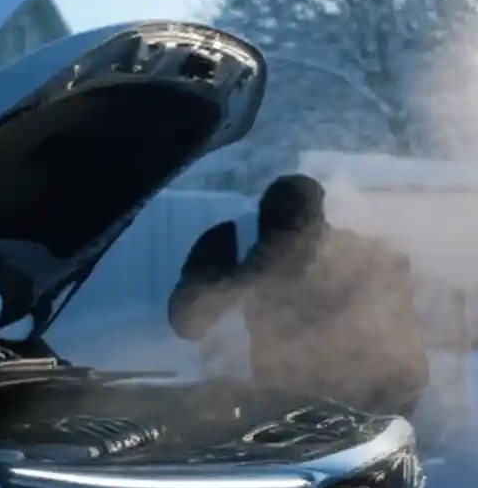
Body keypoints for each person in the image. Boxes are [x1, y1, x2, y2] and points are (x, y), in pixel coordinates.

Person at [168, 174, 429, 416]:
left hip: (348, 405)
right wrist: (241, 279)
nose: (293, 258)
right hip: (249, 406)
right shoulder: (228, 246)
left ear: (320, 230)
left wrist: (384, 416)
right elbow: (186, 325)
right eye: (281, 247)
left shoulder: (355, 257)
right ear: (263, 233)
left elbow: (407, 363)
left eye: (304, 247)